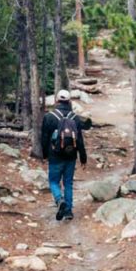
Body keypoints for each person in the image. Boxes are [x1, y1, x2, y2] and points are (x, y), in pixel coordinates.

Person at [41, 89, 87, 221]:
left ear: (56, 101)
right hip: (70, 157)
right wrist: (83, 158)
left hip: (54, 156)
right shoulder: (75, 118)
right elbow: (79, 141)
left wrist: (44, 155)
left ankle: (59, 199)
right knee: (68, 183)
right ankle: (68, 211)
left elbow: (44, 138)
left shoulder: (49, 117)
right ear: (69, 102)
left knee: (54, 181)